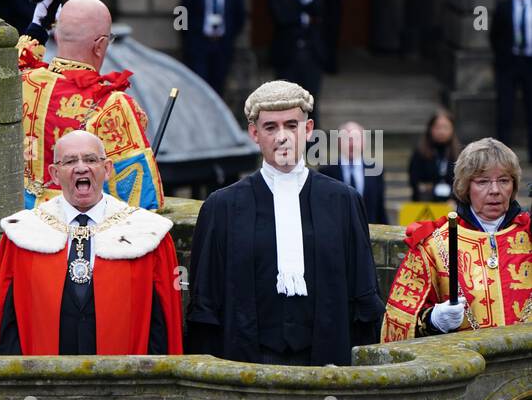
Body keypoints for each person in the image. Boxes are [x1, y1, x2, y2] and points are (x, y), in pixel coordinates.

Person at [187, 80, 384, 366]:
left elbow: (364, 296)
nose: (283, 137)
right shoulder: (221, 207)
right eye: (270, 127)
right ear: (254, 133)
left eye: (292, 125)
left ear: (308, 129)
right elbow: (205, 307)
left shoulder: (343, 202)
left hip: (327, 362)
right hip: (245, 364)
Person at [0, 130, 182, 356]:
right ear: (54, 173)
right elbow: (8, 325)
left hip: (123, 381)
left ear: (107, 169)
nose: (81, 167)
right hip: (45, 381)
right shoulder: (23, 234)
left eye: (91, 159)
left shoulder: (148, 234)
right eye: (71, 161)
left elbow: (163, 324)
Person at [19, 0, 164, 211]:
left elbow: (21, 57)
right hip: (77, 233)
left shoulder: (20, 83)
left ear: (57, 37)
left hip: (21, 227)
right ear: (99, 46)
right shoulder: (113, 106)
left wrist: (37, 26)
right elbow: (140, 203)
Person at [382, 137, 531, 341]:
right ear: (466, 187)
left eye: (504, 180)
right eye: (483, 181)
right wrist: (433, 321)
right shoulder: (433, 244)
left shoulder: (529, 234)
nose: (495, 190)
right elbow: (398, 322)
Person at [180, 0, 247, 97]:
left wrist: (230, 35)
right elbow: (180, 12)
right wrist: (186, 37)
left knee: (219, 85)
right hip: (199, 43)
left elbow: (239, 16)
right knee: (199, 85)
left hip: (222, 45)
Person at [267, 0, 323, 113]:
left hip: (311, 55)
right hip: (287, 55)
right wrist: (304, 16)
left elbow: (318, 11)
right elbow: (282, 18)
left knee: (311, 105)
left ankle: (311, 138)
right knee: (286, 105)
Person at [492, 0, 532, 156]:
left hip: (530, 62)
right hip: (510, 62)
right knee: (505, 109)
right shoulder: (504, 5)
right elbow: (495, 34)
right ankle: (502, 153)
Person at [319, 121, 387, 225]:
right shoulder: (326, 172)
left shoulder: (376, 171)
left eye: (356, 138)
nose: (352, 143)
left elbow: (380, 208)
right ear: (339, 142)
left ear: (364, 142)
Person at [407, 109, 460, 203]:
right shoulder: (420, 153)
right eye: (438, 127)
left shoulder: (459, 153)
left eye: (445, 127)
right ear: (430, 129)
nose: (441, 132)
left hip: (453, 205)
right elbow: (415, 182)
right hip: (426, 204)